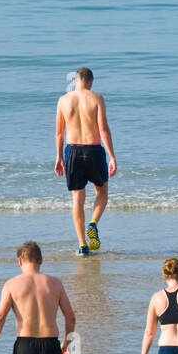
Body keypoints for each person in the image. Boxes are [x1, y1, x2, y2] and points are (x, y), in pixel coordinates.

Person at [55, 67, 117, 255]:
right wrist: (112, 156)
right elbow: (104, 129)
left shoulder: (63, 100)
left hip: (72, 150)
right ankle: (93, 223)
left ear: (75, 81)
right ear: (90, 82)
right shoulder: (97, 98)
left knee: (77, 200)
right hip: (94, 150)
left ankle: (82, 245)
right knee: (102, 193)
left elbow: (59, 133)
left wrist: (59, 157)